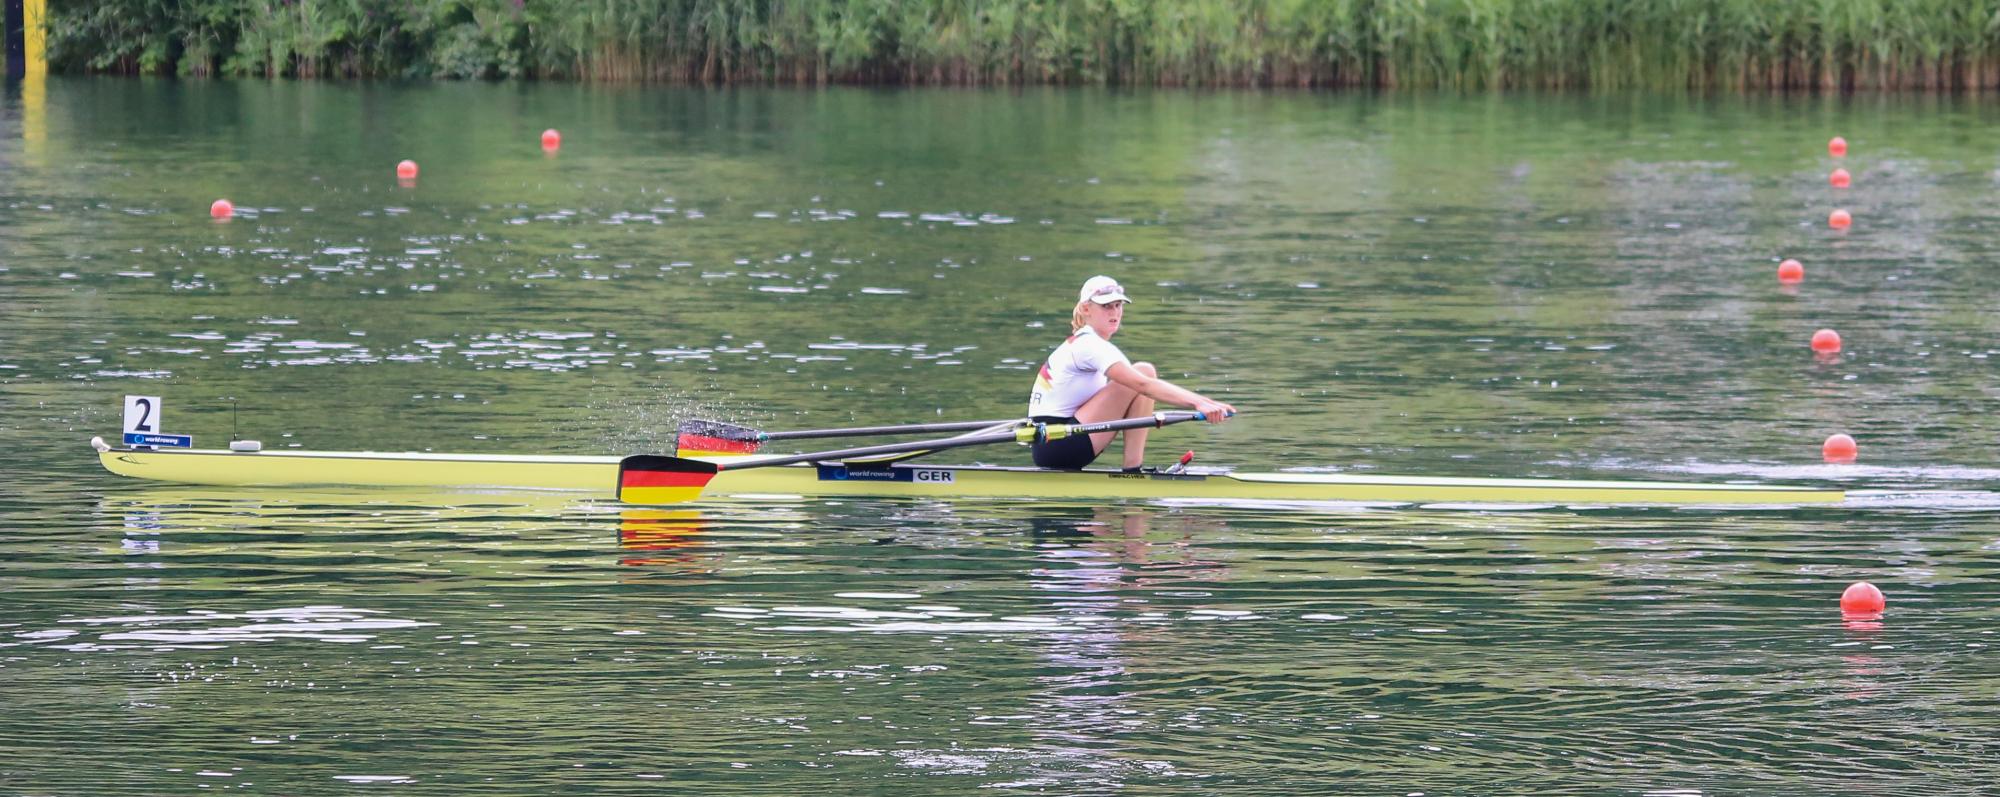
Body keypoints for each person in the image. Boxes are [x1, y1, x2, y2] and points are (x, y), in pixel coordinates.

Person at [1027, 275, 1235, 471]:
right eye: (1106, 306)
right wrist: (1199, 403)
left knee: (1142, 375)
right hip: (1056, 443)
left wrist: (1205, 402)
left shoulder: (1084, 342)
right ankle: (1132, 470)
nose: (1115, 312)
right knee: (1144, 372)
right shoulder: (1088, 344)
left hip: (1052, 442)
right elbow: (1144, 384)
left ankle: (1133, 470)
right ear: (1085, 309)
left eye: (1118, 305)